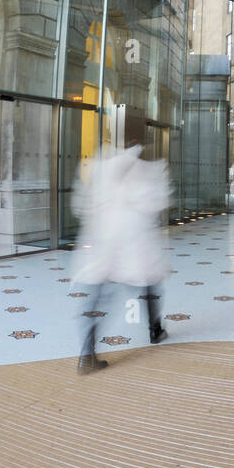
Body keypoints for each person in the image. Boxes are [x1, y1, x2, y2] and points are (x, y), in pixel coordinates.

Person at [71, 139, 171, 373]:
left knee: (96, 298)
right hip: (134, 241)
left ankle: (87, 355)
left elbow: (82, 205)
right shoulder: (142, 169)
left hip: (102, 243)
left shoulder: (100, 166)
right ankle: (155, 330)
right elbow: (157, 201)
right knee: (149, 284)